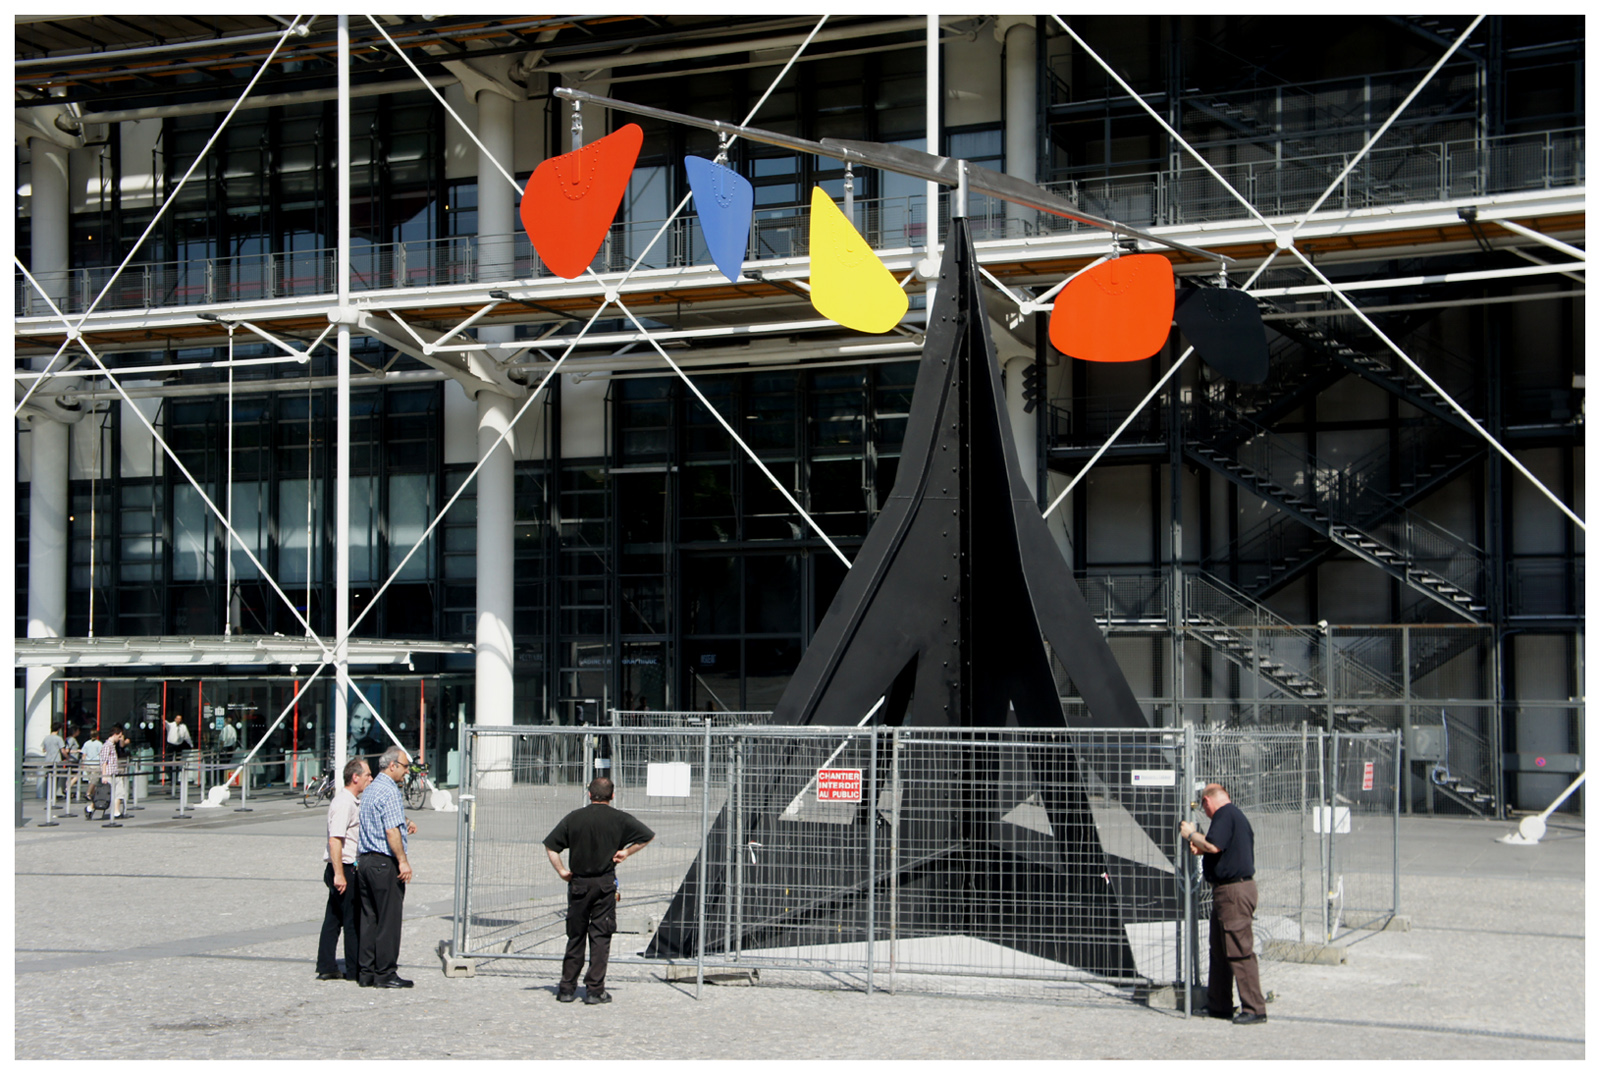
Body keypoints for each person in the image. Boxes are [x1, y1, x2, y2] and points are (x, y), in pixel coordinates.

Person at [542, 776, 655, 1005]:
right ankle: (595, 990)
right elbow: (647, 836)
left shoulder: (574, 817)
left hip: (579, 884)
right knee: (601, 936)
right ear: (612, 795)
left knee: (576, 935)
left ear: (589, 794)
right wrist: (626, 852)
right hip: (604, 883)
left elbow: (551, 846)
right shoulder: (620, 818)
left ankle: (566, 988)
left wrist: (562, 871)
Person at [1180, 782, 1267, 1025]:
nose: (1206, 813)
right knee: (1219, 950)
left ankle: (1255, 1008)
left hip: (1233, 893)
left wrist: (1191, 834)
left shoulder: (1225, 814)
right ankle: (1219, 1004)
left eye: (1203, 808)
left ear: (1207, 801)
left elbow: (1213, 844)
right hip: (1229, 892)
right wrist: (1204, 850)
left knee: (1239, 951)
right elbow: (1222, 850)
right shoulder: (1234, 816)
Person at [356, 745, 418, 988]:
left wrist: (405, 821)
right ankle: (385, 973)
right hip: (384, 862)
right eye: (405, 767)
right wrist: (403, 861)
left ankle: (366, 971)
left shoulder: (371, 788)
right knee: (388, 919)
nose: (407, 772)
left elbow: (381, 819)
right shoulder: (390, 790)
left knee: (369, 918)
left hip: (365, 861)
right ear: (392, 765)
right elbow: (391, 831)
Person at [317, 756, 372, 981]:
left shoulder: (351, 801)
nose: (370, 778)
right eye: (367, 774)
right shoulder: (344, 803)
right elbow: (335, 840)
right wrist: (339, 874)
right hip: (344, 867)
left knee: (334, 918)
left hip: (343, 867)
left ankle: (326, 964)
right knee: (351, 920)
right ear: (355, 777)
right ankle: (353, 968)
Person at [97, 727, 130, 820]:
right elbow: (104, 761)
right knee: (106, 795)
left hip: (115, 773)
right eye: (119, 736)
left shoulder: (112, 745)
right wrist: (104, 775)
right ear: (115, 734)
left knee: (119, 792)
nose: (120, 739)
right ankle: (90, 808)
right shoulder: (107, 746)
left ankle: (116, 811)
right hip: (109, 774)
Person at [37, 723, 68, 800]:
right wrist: (68, 757)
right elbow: (63, 750)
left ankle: (49, 795)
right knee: (55, 779)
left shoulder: (46, 738)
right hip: (56, 761)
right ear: (59, 729)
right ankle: (53, 795)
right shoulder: (59, 738)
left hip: (48, 761)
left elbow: (44, 749)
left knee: (49, 778)